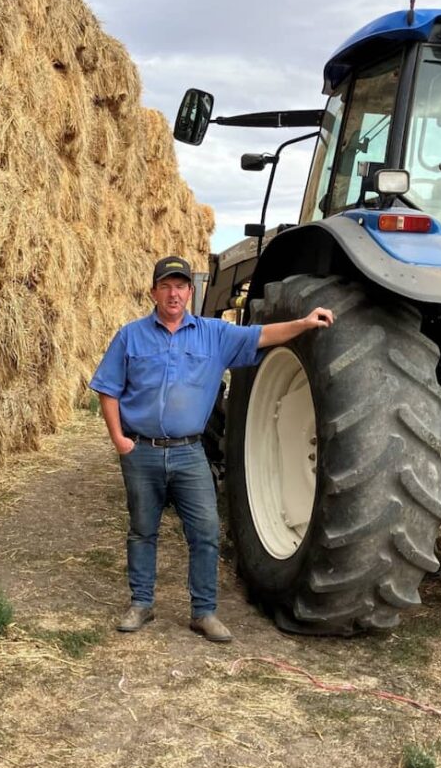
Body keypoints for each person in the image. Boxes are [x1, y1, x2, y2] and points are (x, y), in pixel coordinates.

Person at [90, 255, 334, 643]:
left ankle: (203, 612)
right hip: (143, 452)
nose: (173, 293)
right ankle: (141, 603)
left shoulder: (213, 334)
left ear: (191, 292)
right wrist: (119, 440)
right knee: (142, 530)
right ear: (153, 291)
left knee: (204, 532)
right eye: (166, 286)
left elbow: (262, 335)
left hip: (189, 453)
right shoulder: (130, 336)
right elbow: (108, 389)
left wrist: (304, 324)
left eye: (181, 286)